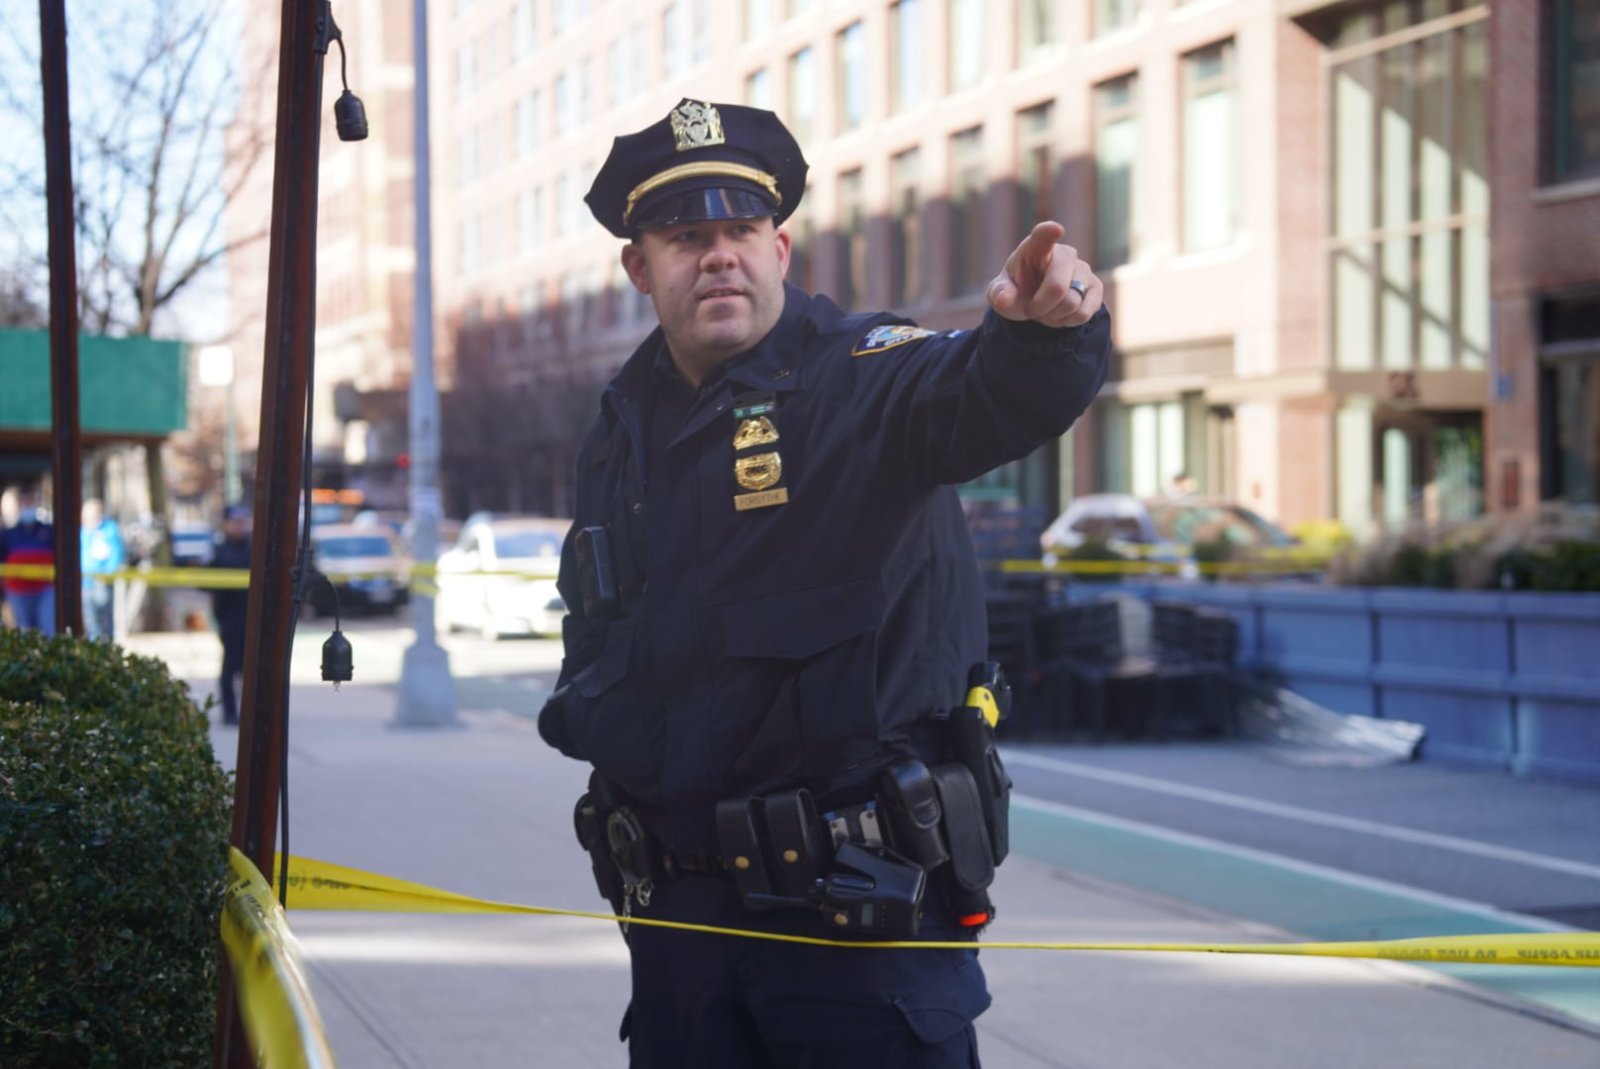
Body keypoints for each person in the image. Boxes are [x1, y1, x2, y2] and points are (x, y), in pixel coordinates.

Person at [536, 99, 1110, 1068]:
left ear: (781, 249)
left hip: (857, 936)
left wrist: (1040, 337)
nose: (717, 255)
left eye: (739, 231)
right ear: (640, 268)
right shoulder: (619, 428)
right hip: (681, 942)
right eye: (684, 238)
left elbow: (977, 393)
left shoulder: (861, 376)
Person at [209, 505, 252, 725]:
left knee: (251, 667)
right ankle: (230, 712)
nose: (239, 526)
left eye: (241, 521)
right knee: (230, 664)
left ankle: (250, 712)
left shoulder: (253, 548)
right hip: (228, 615)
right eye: (235, 522)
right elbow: (205, 581)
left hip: (252, 615)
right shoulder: (218, 550)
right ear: (225, 524)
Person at [1, 485, 56, 633]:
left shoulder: (49, 531)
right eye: (25, 502)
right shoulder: (8, 534)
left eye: (31, 501)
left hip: (45, 589)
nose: (28, 505)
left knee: (47, 629)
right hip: (18, 590)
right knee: (23, 631)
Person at [80, 498, 125, 640]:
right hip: (84, 582)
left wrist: (107, 574)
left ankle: (107, 648)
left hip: (102, 581)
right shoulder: (81, 531)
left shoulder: (109, 529)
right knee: (90, 621)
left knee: (104, 620)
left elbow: (116, 554)